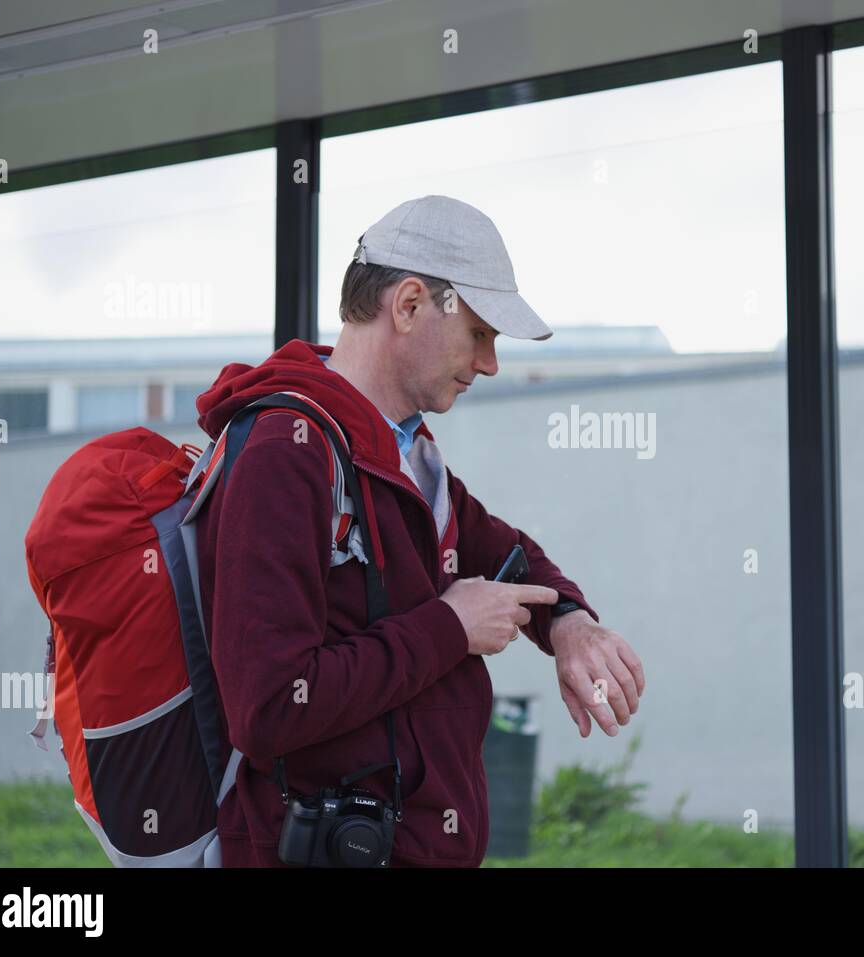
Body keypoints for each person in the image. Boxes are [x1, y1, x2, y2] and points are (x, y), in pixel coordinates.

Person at [193, 194, 645, 867]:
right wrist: (449, 628)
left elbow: (506, 553)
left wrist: (570, 622)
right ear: (407, 305)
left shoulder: (405, 452)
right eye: (481, 333)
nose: (490, 363)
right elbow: (267, 708)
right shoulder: (284, 452)